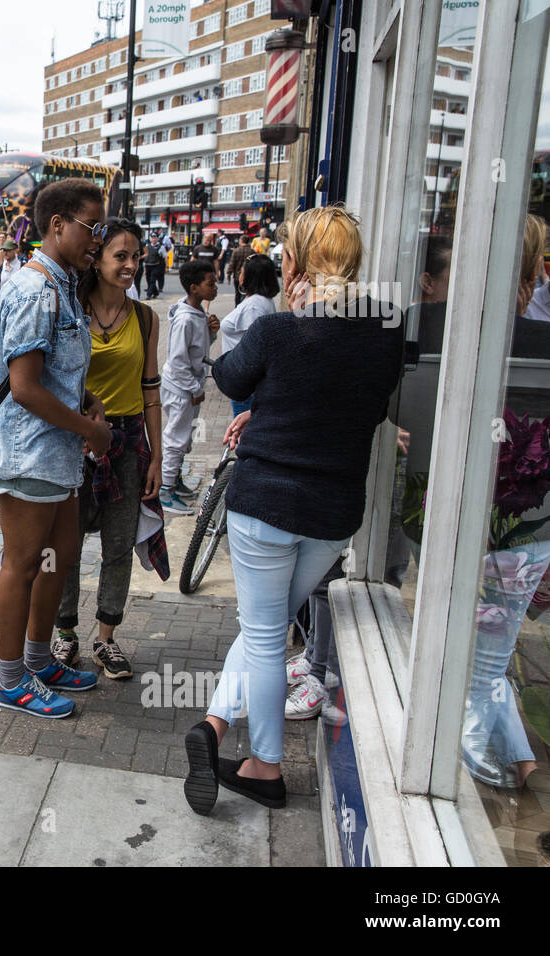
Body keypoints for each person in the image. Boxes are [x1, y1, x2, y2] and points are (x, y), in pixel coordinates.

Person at [182, 204, 403, 815]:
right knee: (270, 627)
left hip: (266, 504)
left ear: (298, 261)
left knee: (263, 633)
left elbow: (228, 377)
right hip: (333, 515)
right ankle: (216, 727)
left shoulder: (281, 328)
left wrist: (286, 318)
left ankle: (266, 768)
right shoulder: (386, 326)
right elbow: (358, 397)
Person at [0, 178, 111, 720]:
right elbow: (24, 387)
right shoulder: (34, 290)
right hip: (31, 452)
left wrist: (88, 400)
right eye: (91, 227)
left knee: (60, 558)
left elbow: (54, 372)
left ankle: (37, 658)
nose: (96, 239)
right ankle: (10, 679)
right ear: (58, 224)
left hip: (58, 454)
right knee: (23, 564)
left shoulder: (62, 285)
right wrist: (89, 429)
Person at [52, 218, 163, 680]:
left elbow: (151, 386)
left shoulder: (146, 317)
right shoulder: (69, 309)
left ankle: (106, 639)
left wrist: (157, 455)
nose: (132, 264)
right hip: (76, 439)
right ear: (96, 259)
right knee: (68, 544)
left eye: (137, 256)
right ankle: (65, 634)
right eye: (121, 255)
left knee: (118, 545)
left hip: (129, 442)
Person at [158, 259, 219, 516]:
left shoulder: (197, 314)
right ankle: (165, 490)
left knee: (185, 439)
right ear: (194, 288)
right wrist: (195, 390)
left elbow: (198, 351)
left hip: (189, 386)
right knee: (176, 439)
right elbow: (179, 361)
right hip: (181, 388)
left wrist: (212, 332)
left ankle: (176, 479)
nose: (215, 287)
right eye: (210, 282)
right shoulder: (185, 320)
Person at [217, 254, 280, 416]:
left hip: (245, 383)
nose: (239, 275)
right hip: (243, 380)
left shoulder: (254, 306)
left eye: (242, 271)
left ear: (251, 276)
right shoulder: (257, 300)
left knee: (241, 435)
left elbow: (253, 347)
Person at [143, 234, 166, 299]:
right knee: (148, 280)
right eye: (152, 238)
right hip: (148, 265)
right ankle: (155, 292)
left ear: (157, 239)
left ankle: (149, 295)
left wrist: (166, 267)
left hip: (156, 266)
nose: (153, 239)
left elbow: (165, 257)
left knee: (152, 280)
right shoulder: (147, 246)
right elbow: (145, 256)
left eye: (155, 238)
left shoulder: (161, 247)